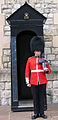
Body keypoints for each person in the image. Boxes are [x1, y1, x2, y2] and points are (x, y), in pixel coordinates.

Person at [25, 36, 51, 119]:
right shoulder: (30, 60)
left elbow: (49, 71)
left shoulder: (44, 60)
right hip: (33, 81)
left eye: (39, 51)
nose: (38, 52)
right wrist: (27, 81)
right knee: (35, 98)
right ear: (34, 50)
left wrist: (46, 70)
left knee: (42, 98)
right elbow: (27, 71)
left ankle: (42, 113)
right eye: (37, 51)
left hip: (42, 81)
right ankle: (36, 113)